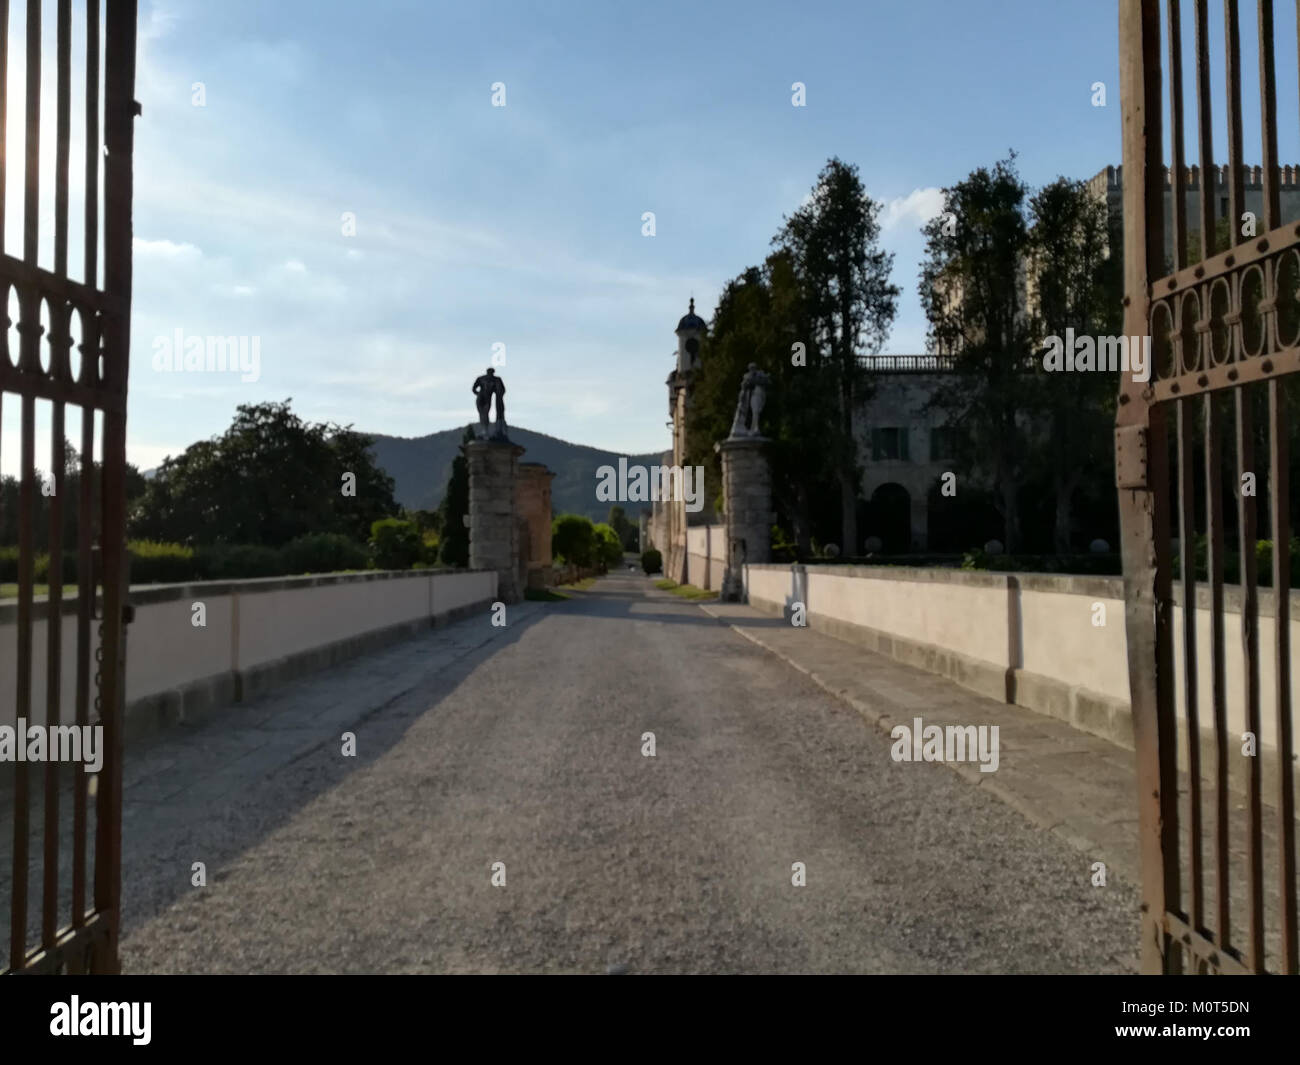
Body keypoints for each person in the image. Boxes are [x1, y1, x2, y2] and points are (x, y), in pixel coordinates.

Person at [472, 367, 506, 438]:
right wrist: (478, 393)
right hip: (481, 397)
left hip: (487, 398)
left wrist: (498, 394)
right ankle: (484, 429)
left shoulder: (496, 380)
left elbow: (501, 390)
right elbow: (474, 388)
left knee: (485, 412)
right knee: (482, 413)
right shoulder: (481, 378)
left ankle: (485, 430)